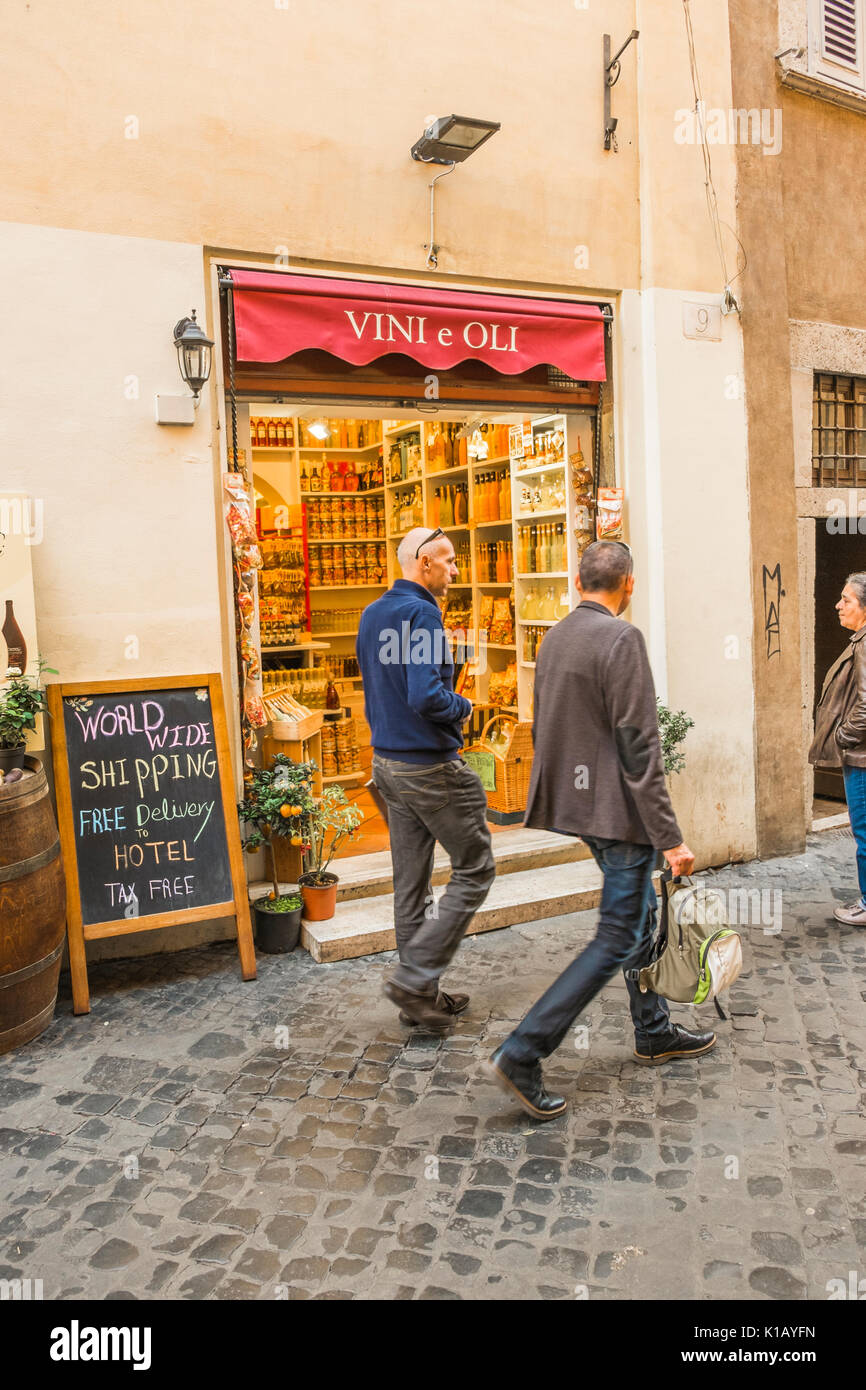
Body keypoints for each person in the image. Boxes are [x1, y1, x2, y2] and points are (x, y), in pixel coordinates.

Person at [483, 540, 715, 1120]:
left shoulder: (556, 636)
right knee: (616, 934)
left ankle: (653, 1029)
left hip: (583, 809)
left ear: (578, 581)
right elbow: (639, 747)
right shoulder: (622, 638)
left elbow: (548, 724)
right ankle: (524, 1050)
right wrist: (671, 836)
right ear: (628, 584)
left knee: (637, 921)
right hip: (619, 816)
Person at [356, 525, 496, 1031]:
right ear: (423, 563)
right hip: (428, 766)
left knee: (410, 886)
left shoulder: (373, 614)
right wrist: (465, 705)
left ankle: (422, 1000)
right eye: (449, 561)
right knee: (476, 867)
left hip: (387, 766)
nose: (455, 570)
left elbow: (381, 688)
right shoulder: (424, 614)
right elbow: (424, 695)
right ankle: (416, 979)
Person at [809, 573, 866, 926]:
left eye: (846, 599)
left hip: (861, 757)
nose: (838, 605)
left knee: (863, 832)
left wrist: (844, 736)